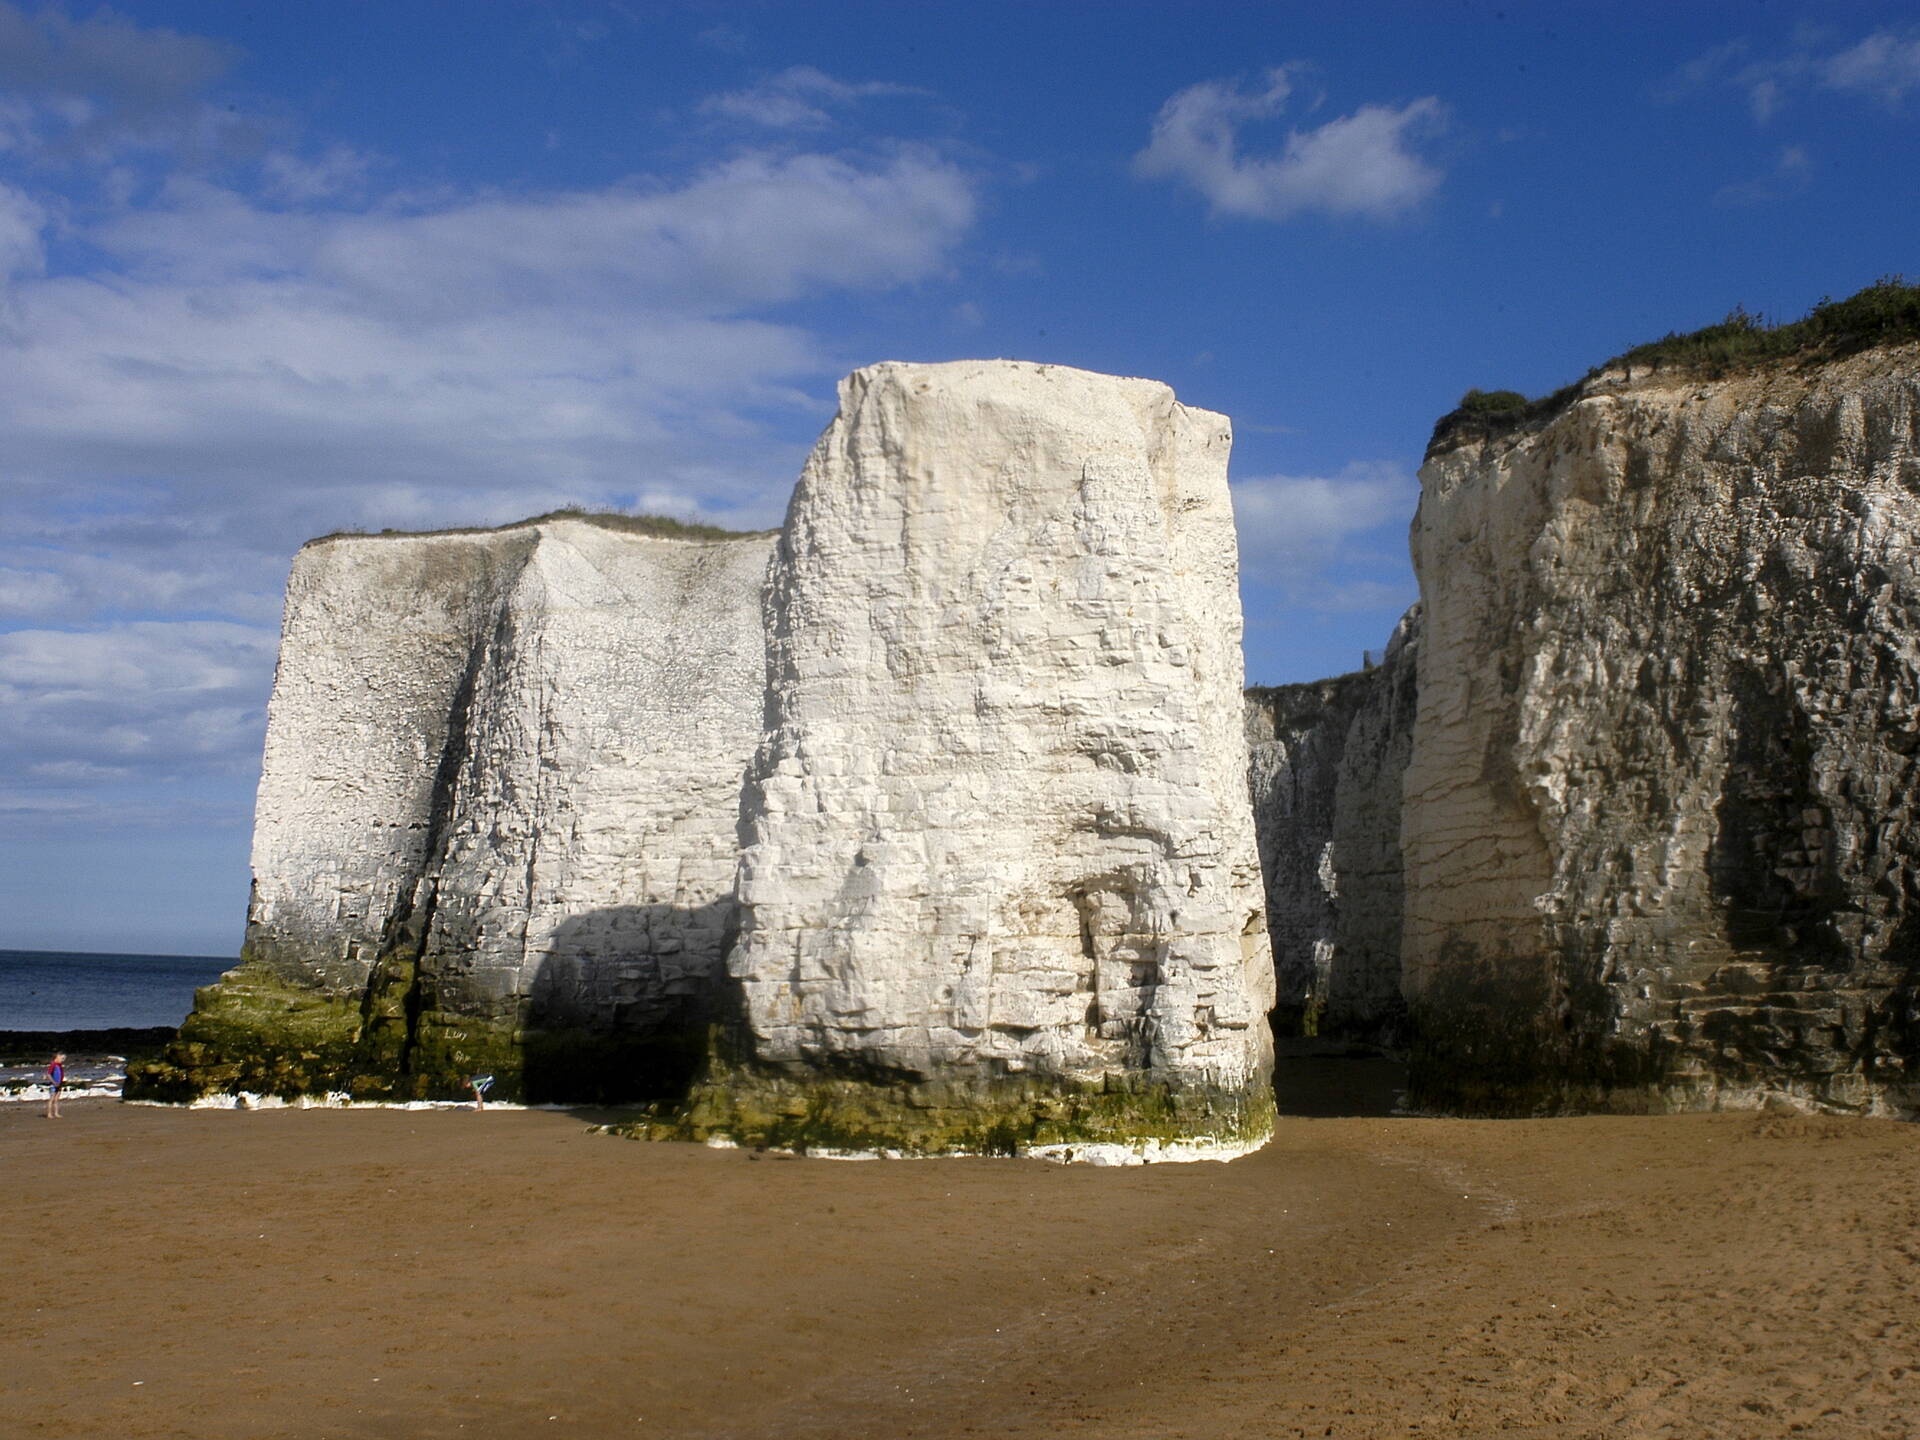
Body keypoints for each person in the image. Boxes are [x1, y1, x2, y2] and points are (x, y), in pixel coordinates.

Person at [45, 1052, 65, 1120]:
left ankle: (56, 1113)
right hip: (53, 1084)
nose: (63, 1060)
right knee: (51, 1099)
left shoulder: (59, 1065)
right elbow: (48, 1074)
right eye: (62, 1058)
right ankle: (49, 1113)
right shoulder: (53, 1065)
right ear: (57, 1057)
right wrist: (53, 1082)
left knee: (56, 1099)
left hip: (59, 1084)